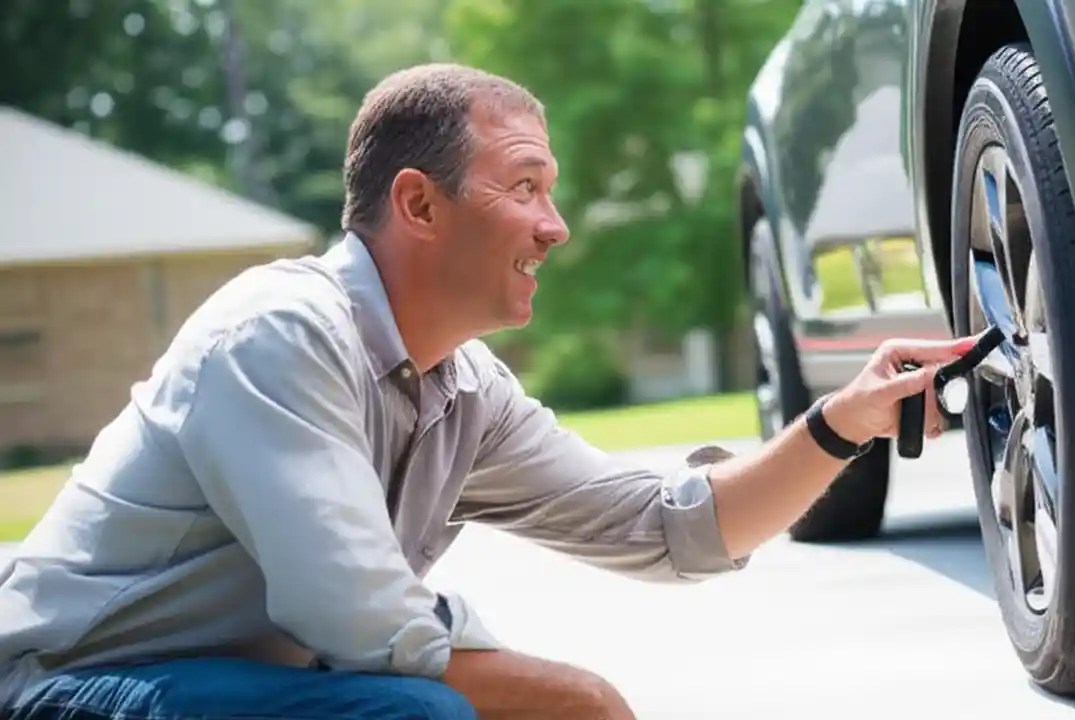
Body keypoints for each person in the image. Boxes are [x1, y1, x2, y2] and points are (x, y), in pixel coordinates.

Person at [0, 63, 976, 719]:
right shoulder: (278, 339)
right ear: (418, 203)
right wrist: (584, 699)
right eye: (523, 188)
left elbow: (664, 527)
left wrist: (841, 422)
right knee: (420, 709)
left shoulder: (461, 390)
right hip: (65, 683)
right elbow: (362, 625)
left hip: (231, 684)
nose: (554, 226)